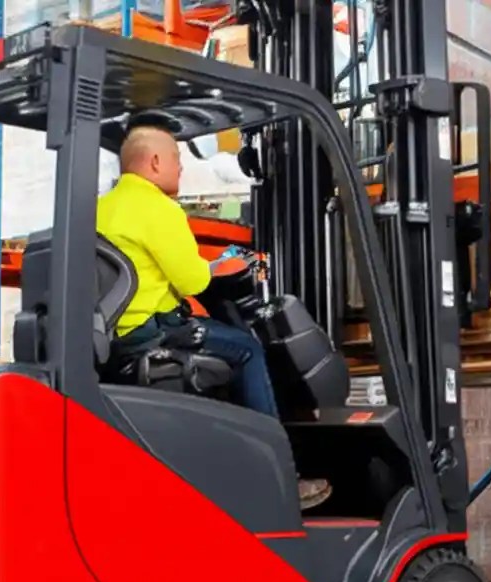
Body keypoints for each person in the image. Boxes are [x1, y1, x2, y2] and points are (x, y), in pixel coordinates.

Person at [96, 125, 332, 510]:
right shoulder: (158, 209)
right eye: (176, 159)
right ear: (155, 162)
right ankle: (279, 476)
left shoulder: (101, 206)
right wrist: (230, 265)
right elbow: (194, 279)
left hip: (116, 339)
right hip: (155, 333)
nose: (181, 169)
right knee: (248, 350)